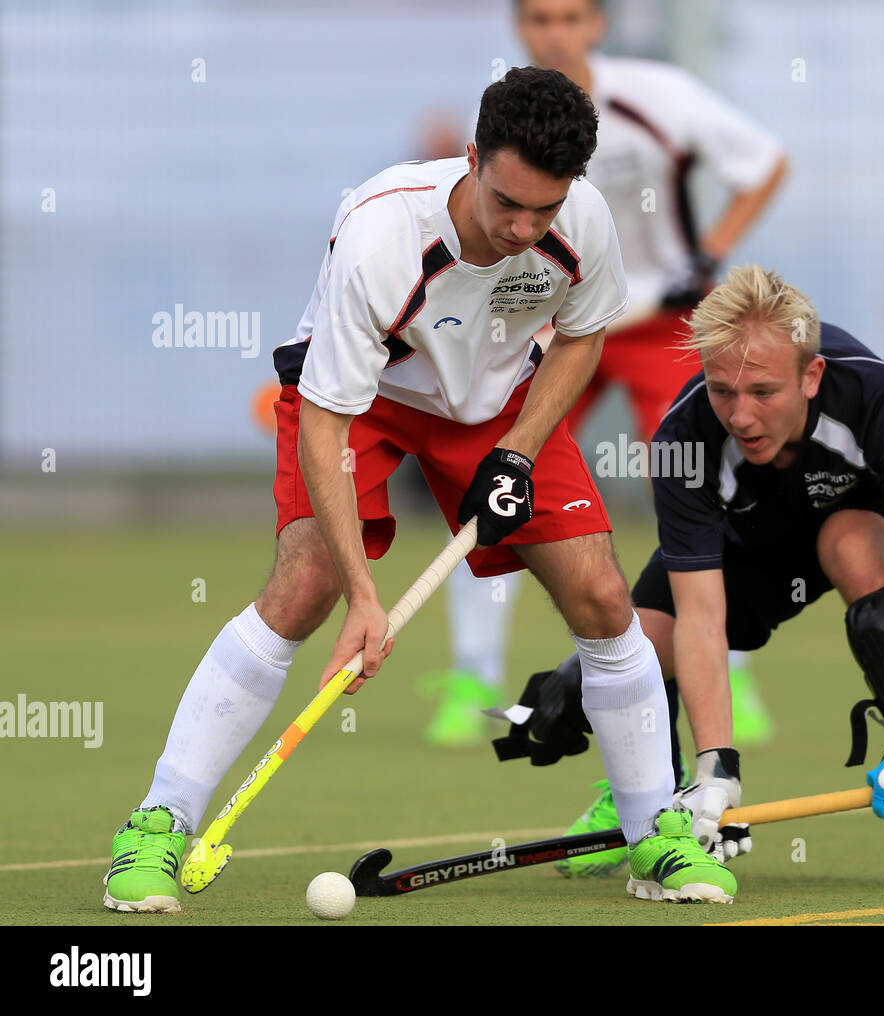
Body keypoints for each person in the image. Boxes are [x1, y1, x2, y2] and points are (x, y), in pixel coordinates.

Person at [102, 67, 738, 912]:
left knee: (601, 593)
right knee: (304, 588)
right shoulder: (381, 237)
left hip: (499, 400)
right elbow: (326, 423)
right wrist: (366, 600)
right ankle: (156, 828)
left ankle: (654, 829)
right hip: (365, 399)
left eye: (542, 210)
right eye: (505, 201)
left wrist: (515, 451)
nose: (522, 228)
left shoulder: (579, 222)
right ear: (471, 157)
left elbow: (582, 336)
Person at [497, 265, 884, 888]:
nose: (740, 416)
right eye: (722, 391)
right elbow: (701, 616)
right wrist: (718, 770)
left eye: (763, 393)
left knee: (853, 546)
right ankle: (651, 796)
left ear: (811, 375)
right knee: (636, 646)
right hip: (748, 544)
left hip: (853, 529)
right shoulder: (683, 438)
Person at [426, 0, 788, 829]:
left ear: (597, 25)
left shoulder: (658, 95)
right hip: (550, 329)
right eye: (538, 18)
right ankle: (471, 679)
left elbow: (764, 161)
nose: (554, 32)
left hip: (658, 322)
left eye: (571, 16)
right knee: (496, 485)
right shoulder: (508, 115)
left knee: (699, 492)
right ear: (520, 28)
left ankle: (727, 671)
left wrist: (710, 253)